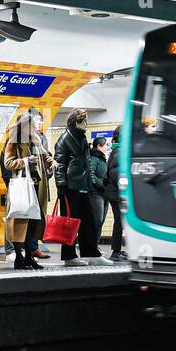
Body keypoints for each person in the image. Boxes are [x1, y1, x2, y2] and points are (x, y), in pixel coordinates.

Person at [55, 108, 108, 265]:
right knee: (70, 224)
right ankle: (69, 257)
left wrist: (90, 183)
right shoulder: (64, 139)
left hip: (84, 186)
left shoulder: (82, 139)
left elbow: (86, 163)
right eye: (84, 121)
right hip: (70, 188)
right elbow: (60, 164)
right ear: (77, 122)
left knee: (88, 222)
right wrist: (61, 187)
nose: (86, 124)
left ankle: (91, 253)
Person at [2, 108, 53, 270]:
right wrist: (25, 160)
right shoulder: (14, 140)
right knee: (20, 222)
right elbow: (8, 163)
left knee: (33, 222)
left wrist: (51, 161)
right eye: (31, 125)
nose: (34, 128)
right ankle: (18, 257)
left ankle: (30, 256)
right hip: (22, 186)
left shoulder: (37, 139)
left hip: (37, 186)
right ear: (24, 126)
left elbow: (44, 155)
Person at [103, 127, 125, 261]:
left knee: (120, 221)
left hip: (114, 191)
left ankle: (117, 250)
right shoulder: (119, 151)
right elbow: (116, 173)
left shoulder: (116, 150)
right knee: (119, 222)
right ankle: (115, 251)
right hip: (116, 192)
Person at [89, 135, 109, 240]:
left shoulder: (102, 159)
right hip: (96, 193)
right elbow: (91, 175)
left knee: (101, 221)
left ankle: (95, 245)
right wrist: (101, 185)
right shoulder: (94, 158)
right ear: (99, 146)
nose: (107, 147)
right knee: (97, 220)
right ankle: (91, 244)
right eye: (106, 145)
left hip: (104, 193)